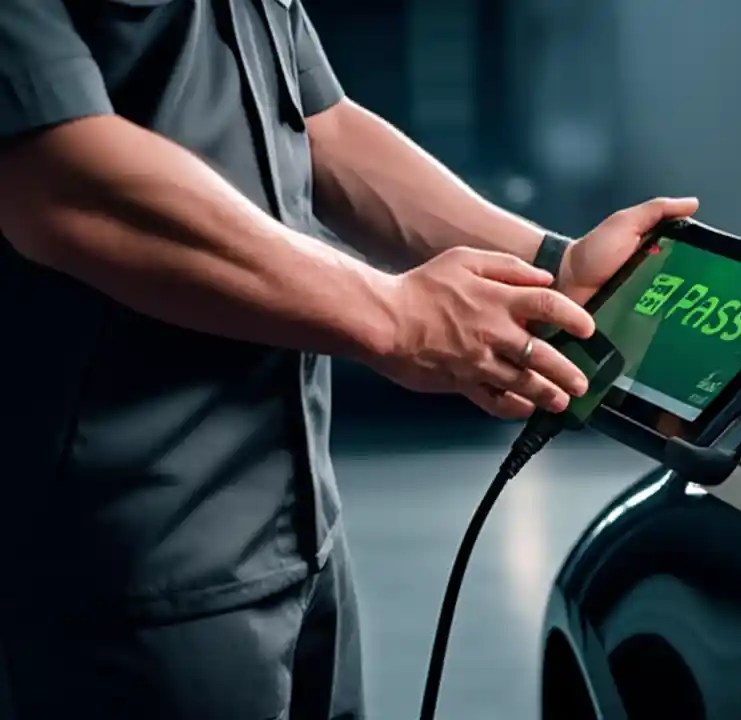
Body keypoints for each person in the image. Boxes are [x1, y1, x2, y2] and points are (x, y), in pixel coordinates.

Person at [0, 1, 697, 717]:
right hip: (113, 548)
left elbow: (317, 125)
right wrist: (395, 315)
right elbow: (58, 176)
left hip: (295, 529)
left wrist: (553, 267)